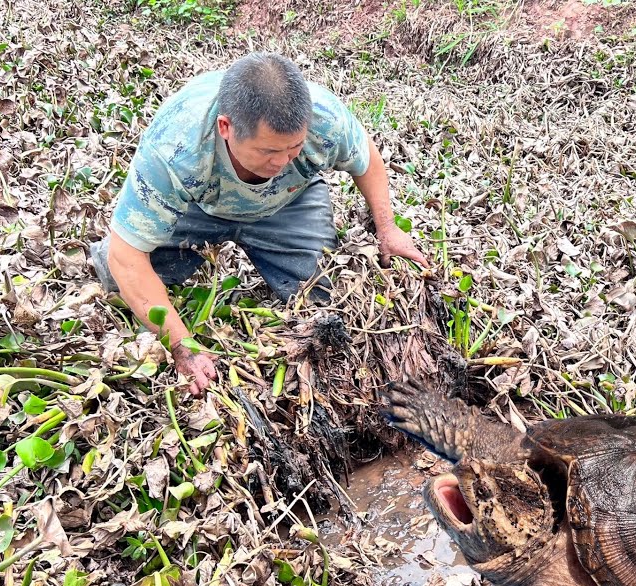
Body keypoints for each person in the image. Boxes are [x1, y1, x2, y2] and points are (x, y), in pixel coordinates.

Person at [90, 52, 428, 396]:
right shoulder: (176, 146)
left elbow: (366, 160)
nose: (282, 161)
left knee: (325, 299)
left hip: (288, 203)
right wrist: (181, 345)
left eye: (293, 147)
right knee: (119, 277)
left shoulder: (326, 117)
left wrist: (387, 227)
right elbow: (128, 257)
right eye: (269, 151)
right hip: (198, 208)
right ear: (226, 127)